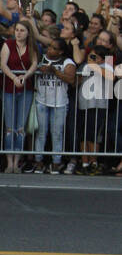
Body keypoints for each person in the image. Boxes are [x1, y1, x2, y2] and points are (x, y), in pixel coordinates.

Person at [0, 19, 38, 172]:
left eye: (22, 30)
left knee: (20, 127)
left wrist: (26, 76)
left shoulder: (31, 46)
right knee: (10, 126)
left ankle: (17, 161)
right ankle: (10, 162)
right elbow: (3, 64)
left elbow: (34, 63)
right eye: (17, 30)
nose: (19, 33)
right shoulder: (8, 44)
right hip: (10, 87)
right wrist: (14, 78)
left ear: (28, 32)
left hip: (26, 88)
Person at [32, 38, 75, 173]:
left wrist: (55, 71)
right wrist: (38, 69)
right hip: (42, 101)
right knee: (41, 133)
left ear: (61, 51)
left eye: (54, 48)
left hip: (60, 103)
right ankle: (38, 161)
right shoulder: (41, 58)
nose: (50, 50)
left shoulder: (67, 62)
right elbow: (30, 70)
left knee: (57, 134)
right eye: (49, 46)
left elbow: (71, 79)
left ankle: (56, 162)